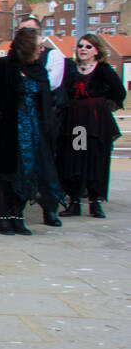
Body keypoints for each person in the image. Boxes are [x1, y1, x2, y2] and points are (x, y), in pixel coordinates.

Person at [0, 26, 64, 235]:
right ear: (27, 47)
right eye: (38, 46)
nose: (41, 50)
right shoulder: (1, 66)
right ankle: (4, 218)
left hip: (33, 131)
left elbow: (46, 100)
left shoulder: (39, 71)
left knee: (28, 174)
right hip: (7, 130)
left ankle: (18, 217)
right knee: (6, 175)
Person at [58, 33, 125, 218]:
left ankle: (95, 202)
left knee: (95, 159)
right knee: (75, 158)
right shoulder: (71, 69)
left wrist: (104, 106)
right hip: (77, 123)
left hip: (95, 122)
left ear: (96, 50)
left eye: (88, 47)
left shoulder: (102, 69)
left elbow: (119, 91)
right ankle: (74, 201)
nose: (83, 49)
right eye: (81, 46)